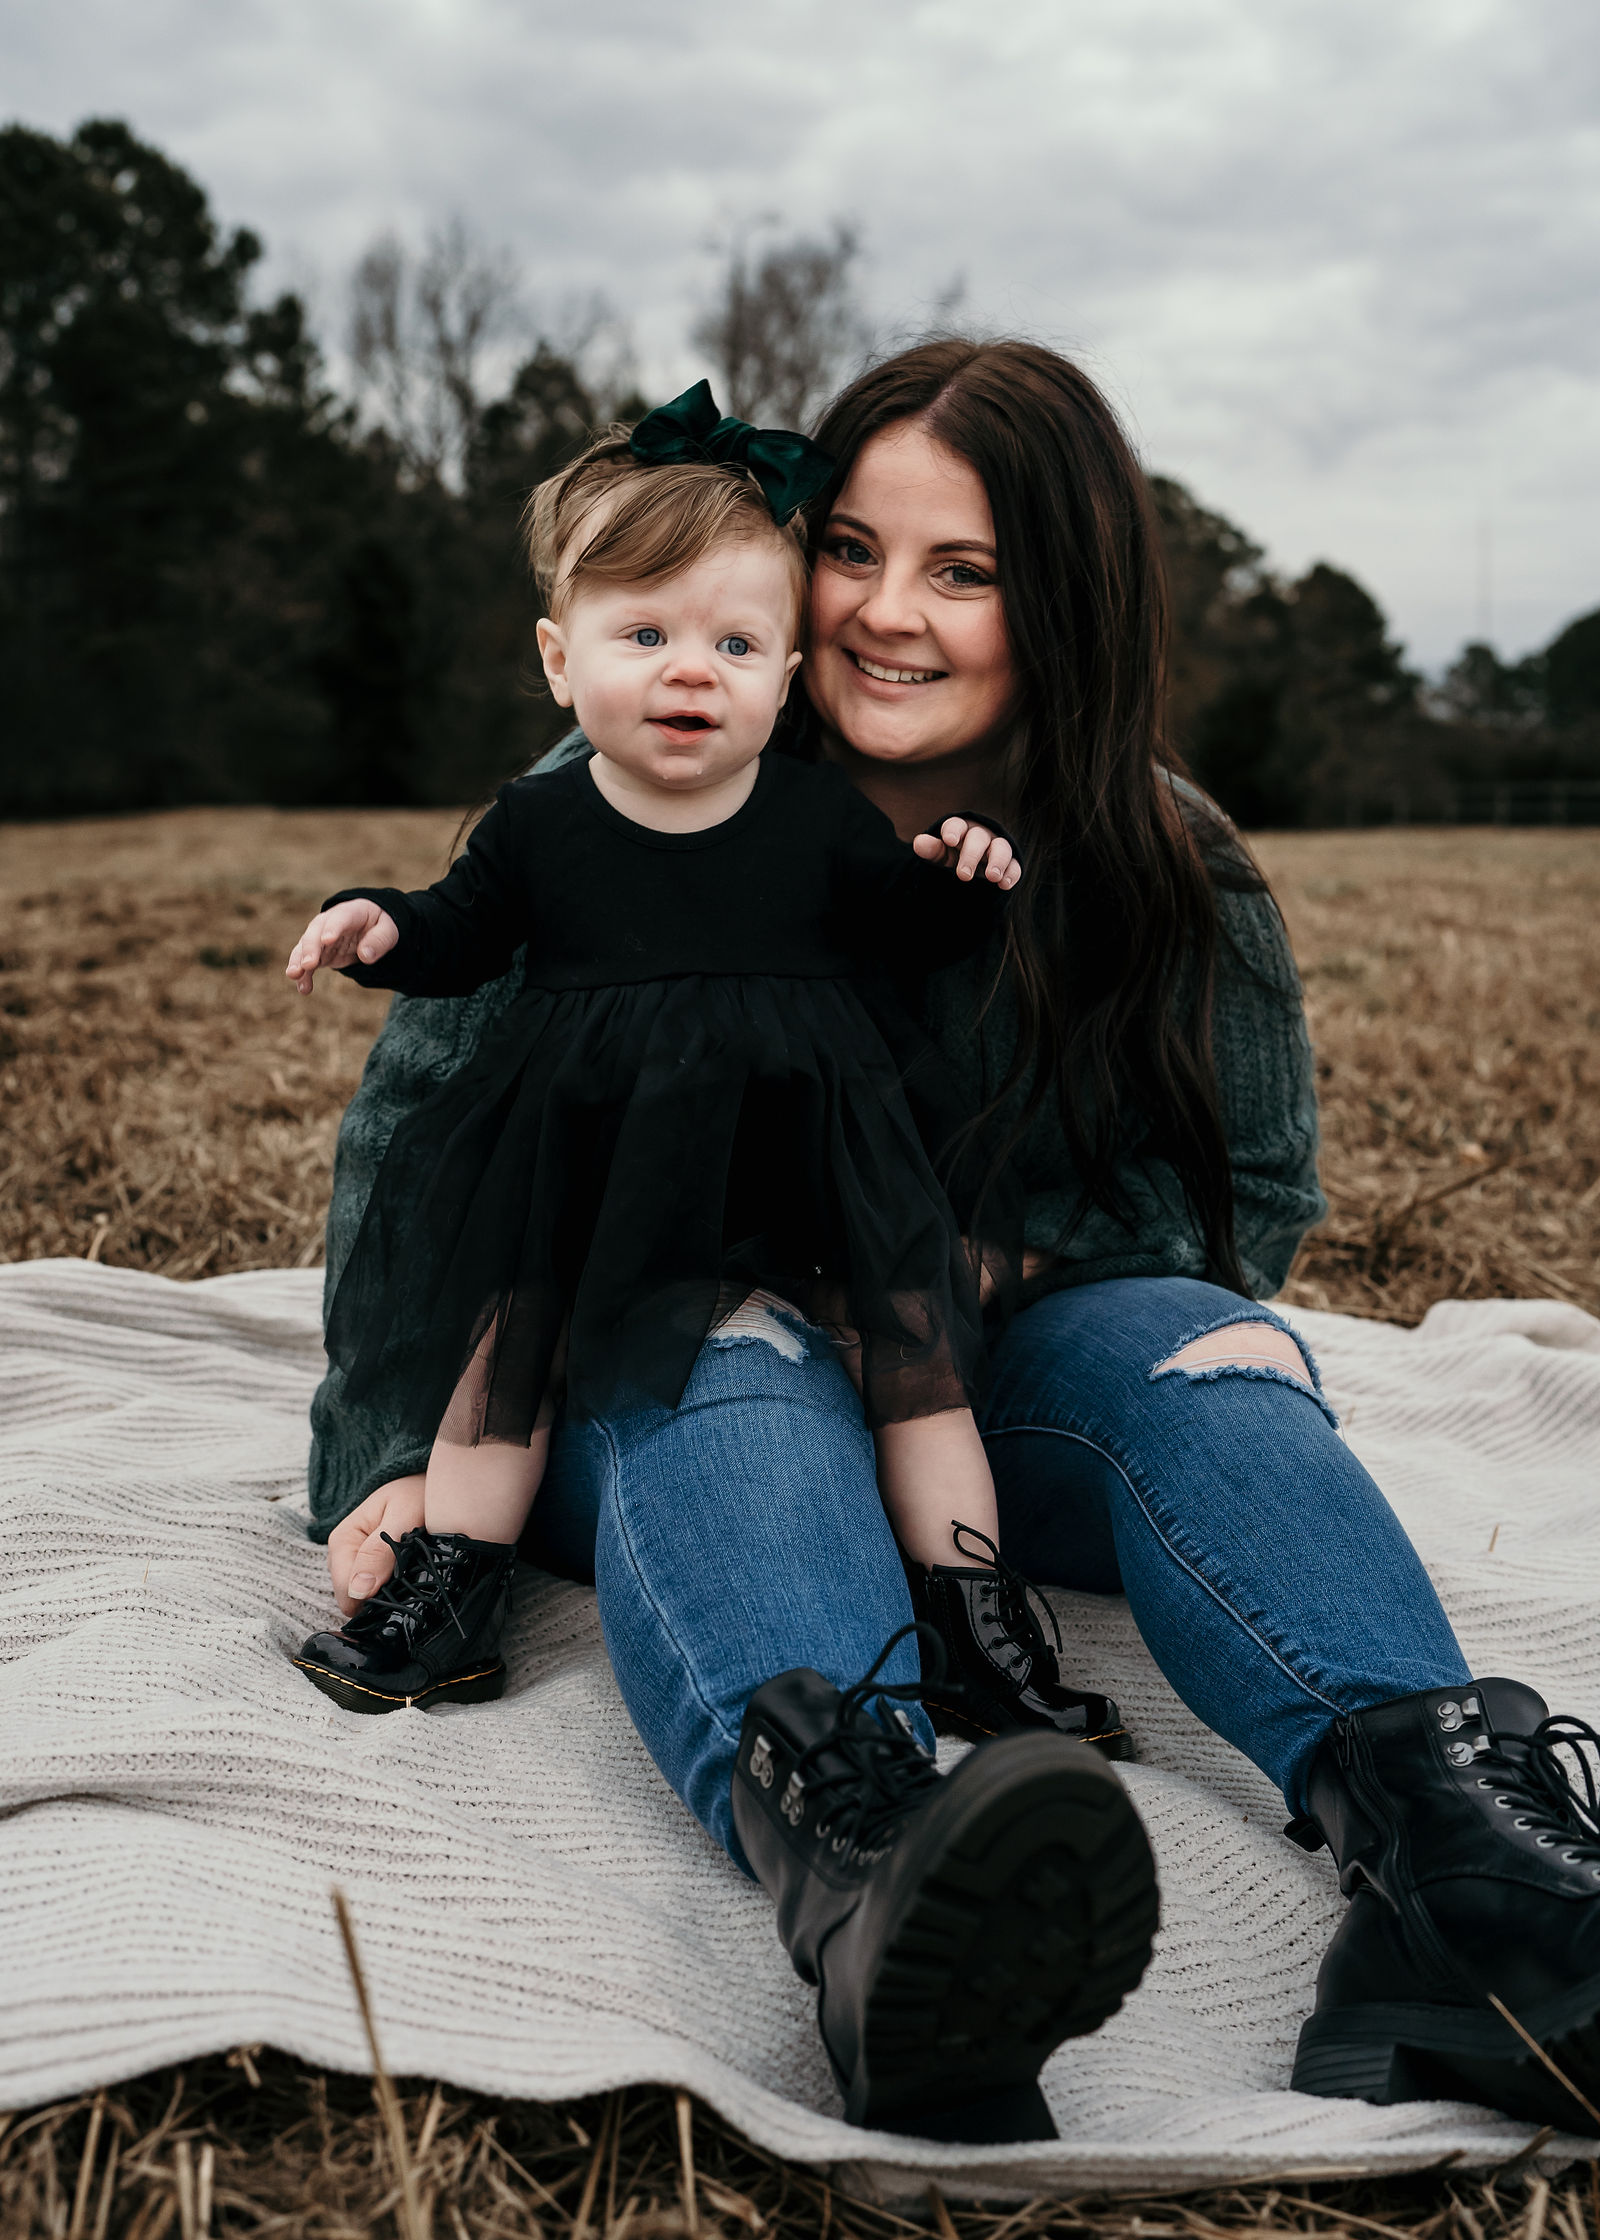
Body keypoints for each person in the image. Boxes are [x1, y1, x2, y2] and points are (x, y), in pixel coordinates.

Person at [304, 340, 1600, 2144]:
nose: (882, 615)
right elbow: (425, 1146)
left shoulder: (1161, 854)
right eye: (850, 549)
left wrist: (997, 1268)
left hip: (984, 1378)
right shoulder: (631, 788)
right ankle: (882, 1889)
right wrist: (382, 1455)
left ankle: (1471, 1876)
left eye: (963, 570)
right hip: (664, 1356)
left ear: (1056, 604)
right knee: (729, 1340)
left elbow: (1254, 1201)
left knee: (1204, 1354)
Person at [287, 387, 1055, 1717]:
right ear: (556, 660)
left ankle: (975, 1617)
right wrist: (381, 926)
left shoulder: (817, 818)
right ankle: (453, 1587)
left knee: (912, 1370)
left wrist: (964, 874)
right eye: (644, 633)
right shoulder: (539, 823)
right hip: (589, 1165)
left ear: (787, 671)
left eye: (738, 641)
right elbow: (462, 933)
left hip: (810, 1176)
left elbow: (909, 930)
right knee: (503, 1354)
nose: (691, 669)